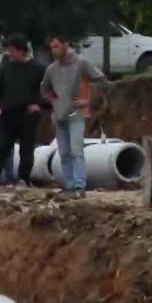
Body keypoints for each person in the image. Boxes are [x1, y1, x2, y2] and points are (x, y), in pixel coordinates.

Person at [41, 35, 106, 198]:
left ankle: (79, 187)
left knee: (76, 150)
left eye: (56, 46)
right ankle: (69, 186)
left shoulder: (81, 63)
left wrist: (88, 100)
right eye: (52, 47)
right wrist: (55, 101)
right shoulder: (52, 69)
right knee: (64, 153)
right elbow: (44, 90)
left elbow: (101, 80)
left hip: (77, 114)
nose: (53, 50)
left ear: (65, 44)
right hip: (59, 116)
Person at [0, 34, 45, 187]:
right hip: (7, 115)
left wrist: (39, 104)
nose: (9, 53)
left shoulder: (38, 69)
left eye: (12, 50)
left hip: (28, 115)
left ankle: (23, 180)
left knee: (26, 150)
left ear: (21, 50)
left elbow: (48, 89)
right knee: (0, 146)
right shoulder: (5, 68)